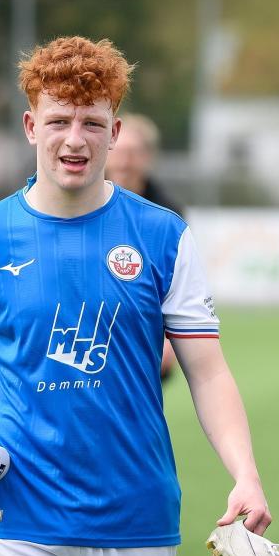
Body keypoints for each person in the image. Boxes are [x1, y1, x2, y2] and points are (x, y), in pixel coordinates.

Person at [0, 36, 279, 556]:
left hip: (135, 512)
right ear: (30, 126)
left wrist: (246, 474)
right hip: (18, 513)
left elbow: (207, 373)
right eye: (58, 121)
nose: (74, 140)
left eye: (91, 123)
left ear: (116, 131)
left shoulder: (164, 236)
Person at [104, 111, 181, 381]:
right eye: (119, 151)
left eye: (133, 153)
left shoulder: (168, 215)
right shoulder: (79, 202)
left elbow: (175, 283)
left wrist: (170, 340)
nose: (124, 161)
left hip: (143, 332)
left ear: (148, 157)